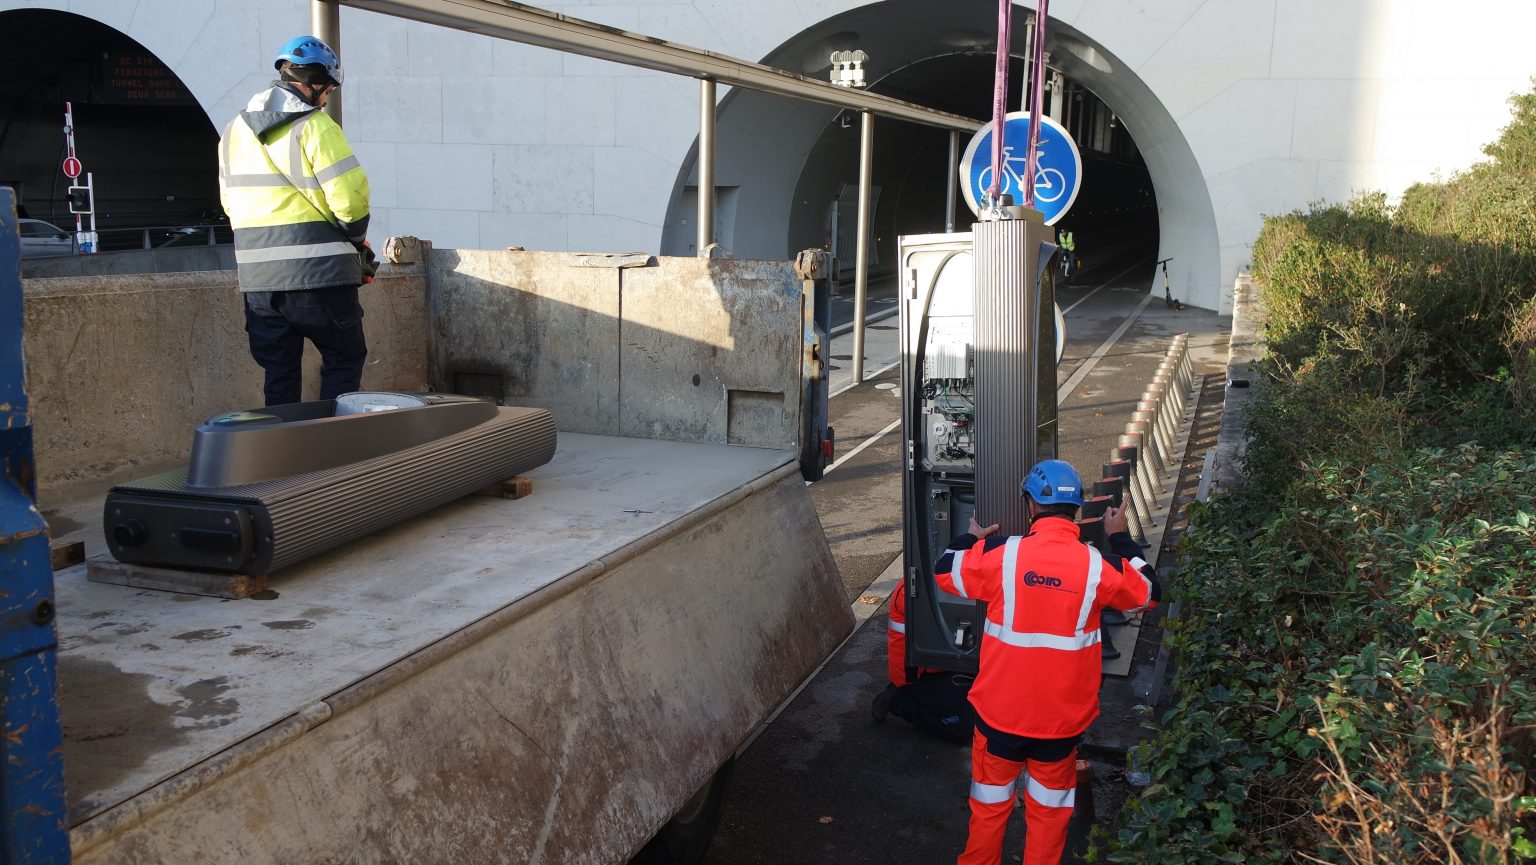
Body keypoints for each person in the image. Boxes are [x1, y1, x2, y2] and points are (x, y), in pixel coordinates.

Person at [935, 459, 1160, 865]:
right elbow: (1149, 590)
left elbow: (944, 570)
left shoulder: (1002, 555)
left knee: (989, 808)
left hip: (1000, 716)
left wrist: (970, 538)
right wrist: (1119, 537)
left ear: (1031, 505)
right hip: (1060, 724)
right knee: (1049, 815)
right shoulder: (1097, 566)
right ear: (1076, 509)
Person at [218, 36, 376, 406]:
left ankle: (284, 440)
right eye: (329, 90)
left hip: (259, 281)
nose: (327, 99)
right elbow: (350, 199)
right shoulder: (316, 126)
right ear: (317, 83)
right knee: (344, 358)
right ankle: (336, 439)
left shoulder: (233, 132)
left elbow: (229, 202)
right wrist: (357, 238)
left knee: (279, 372)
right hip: (319, 275)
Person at [870, 586, 976, 745]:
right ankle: (900, 701)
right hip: (920, 677)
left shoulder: (938, 582)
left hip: (944, 666)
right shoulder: (914, 589)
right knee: (962, 728)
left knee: (984, 705)